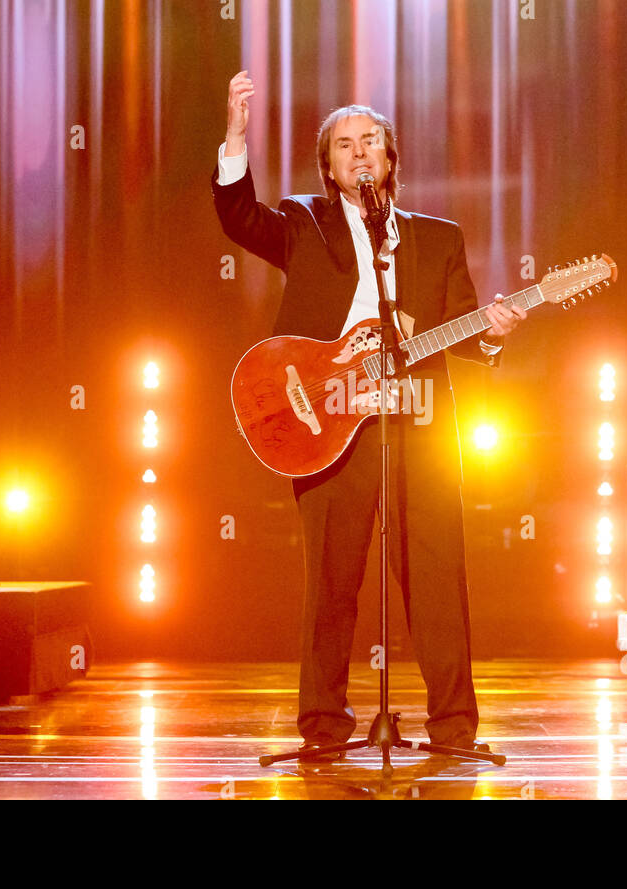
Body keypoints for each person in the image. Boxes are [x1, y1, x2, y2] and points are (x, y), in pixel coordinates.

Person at [213, 71, 525, 758]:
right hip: (328, 426)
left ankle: (453, 730)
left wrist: (494, 329)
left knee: (439, 577)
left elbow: (460, 328)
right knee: (330, 583)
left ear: (391, 158)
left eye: (372, 142)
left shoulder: (439, 238)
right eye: (345, 144)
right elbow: (238, 218)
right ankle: (323, 728)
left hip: (419, 425)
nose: (360, 153)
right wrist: (236, 137)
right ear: (328, 166)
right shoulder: (301, 223)